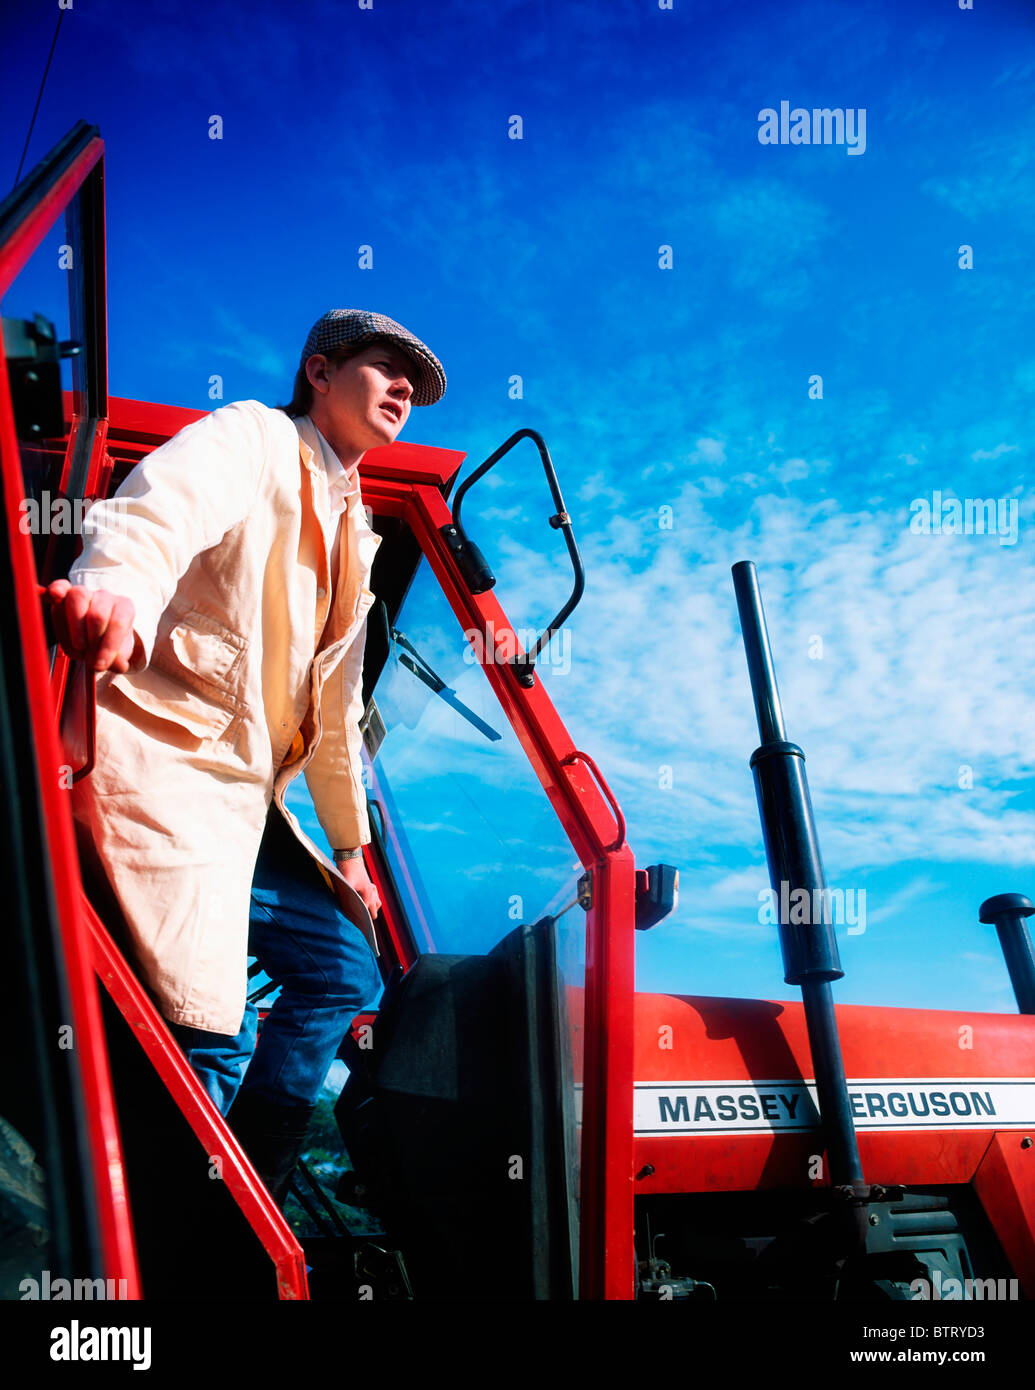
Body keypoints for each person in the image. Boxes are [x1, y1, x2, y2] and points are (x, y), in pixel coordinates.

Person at [47, 308, 446, 1204]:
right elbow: (157, 510)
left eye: (413, 388)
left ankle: (251, 1185)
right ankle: (176, 1223)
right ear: (319, 371)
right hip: (170, 764)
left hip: (245, 801)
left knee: (345, 965)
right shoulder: (254, 439)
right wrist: (113, 594)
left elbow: (337, 714)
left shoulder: (357, 532)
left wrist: (349, 851)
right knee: (209, 1022)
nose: (403, 391)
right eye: (386, 369)